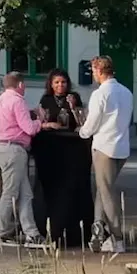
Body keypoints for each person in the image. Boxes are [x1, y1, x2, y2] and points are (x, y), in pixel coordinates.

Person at [78, 56, 134, 254]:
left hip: (104, 147)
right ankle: (98, 230)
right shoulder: (127, 92)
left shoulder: (100, 94)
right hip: (121, 148)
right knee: (103, 189)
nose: (93, 75)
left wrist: (82, 132)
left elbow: (92, 122)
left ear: (99, 71)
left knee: (107, 193)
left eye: (94, 71)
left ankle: (117, 238)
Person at [33, 68, 93, 247]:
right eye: (57, 82)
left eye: (63, 82)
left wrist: (74, 107)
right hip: (52, 146)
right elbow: (42, 120)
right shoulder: (46, 100)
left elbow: (81, 121)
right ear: (51, 84)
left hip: (72, 145)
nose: (60, 86)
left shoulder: (74, 97)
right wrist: (47, 124)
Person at [0, 72, 45, 247]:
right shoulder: (18, 100)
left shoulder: (1, 99)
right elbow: (29, 128)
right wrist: (41, 120)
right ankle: (1, 232)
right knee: (10, 192)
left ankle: (32, 233)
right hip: (14, 149)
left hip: (2, 146)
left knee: (25, 193)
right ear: (20, 84)